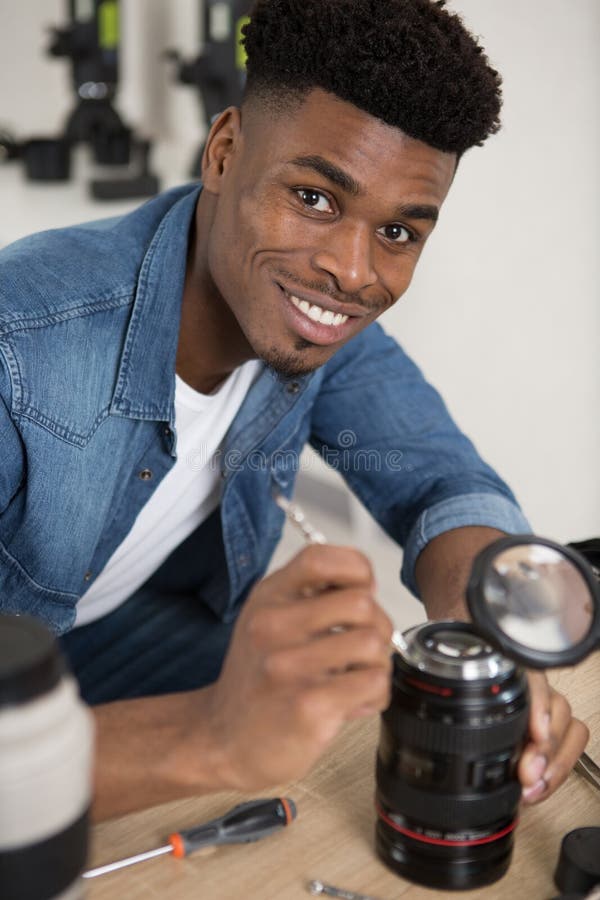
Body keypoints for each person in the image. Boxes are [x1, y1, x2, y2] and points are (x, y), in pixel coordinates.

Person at [0, 0, 588, 821]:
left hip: (115, 637)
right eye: (314, 198)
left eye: (397, 231)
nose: (352, 272)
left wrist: (496, 640)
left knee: (349, 715)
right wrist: (208, 735)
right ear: (225, 150)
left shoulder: (316, 331)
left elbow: (437, 480)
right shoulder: (18, 343)